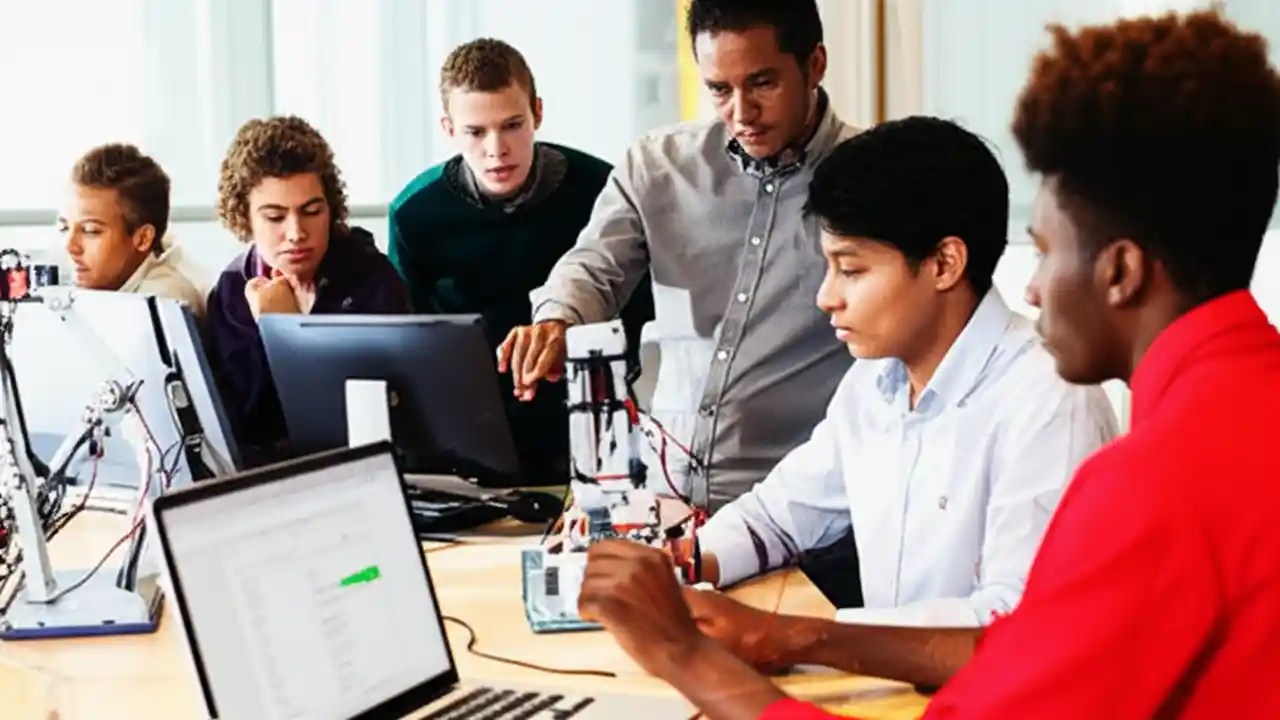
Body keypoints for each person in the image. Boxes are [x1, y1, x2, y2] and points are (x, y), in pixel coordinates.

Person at [577, 10, 1280, 720]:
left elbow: (1004, 641)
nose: (1032, 288)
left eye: (1046, 247)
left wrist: (686, 654)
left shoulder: (1148, 481)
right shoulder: (1244, 416)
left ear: (1121, 270)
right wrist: (691, 565)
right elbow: (786, 509)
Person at [684, 116, 1117, 628]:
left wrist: (815, 638)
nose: (828, 297)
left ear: (943, 264)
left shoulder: (1048, 397)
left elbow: (1013, 617)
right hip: (894, 689)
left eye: (852, 269)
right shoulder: (875, 383)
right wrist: (683, 563)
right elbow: (777, 517)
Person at [497, 0, 856, 510]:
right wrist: (557, 319)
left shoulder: (869, 182)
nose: (741, 112)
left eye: (762, 83)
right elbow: (593, 266)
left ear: (815, 64)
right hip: (663, 501)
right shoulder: (657, 166)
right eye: (719, 89)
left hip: (802, 514)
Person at [389, 38, 653, 486]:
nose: (497, 149)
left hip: (590, 427)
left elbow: (641, 319)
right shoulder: (415, 213)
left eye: (512, 125)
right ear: (449, 128)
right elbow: (407, 341)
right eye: (476, 132)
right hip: (466, 441)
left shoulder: (602, 190)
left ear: (538, 113)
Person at [207, 116, 410, 462]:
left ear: (330, 209)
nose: (297, 232)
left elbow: (375, 424)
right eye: (274, 217)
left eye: (312, 211)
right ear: (245, 217)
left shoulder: (373, 281)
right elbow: (239, 425)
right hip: (260, 482)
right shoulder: (230, 291)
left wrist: (286, 334)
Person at [57, 143, 204, 314]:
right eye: (64, 228)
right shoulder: (104, 290)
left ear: (143, 238)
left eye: (91, 231)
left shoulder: (162, 304)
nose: (70, 246)